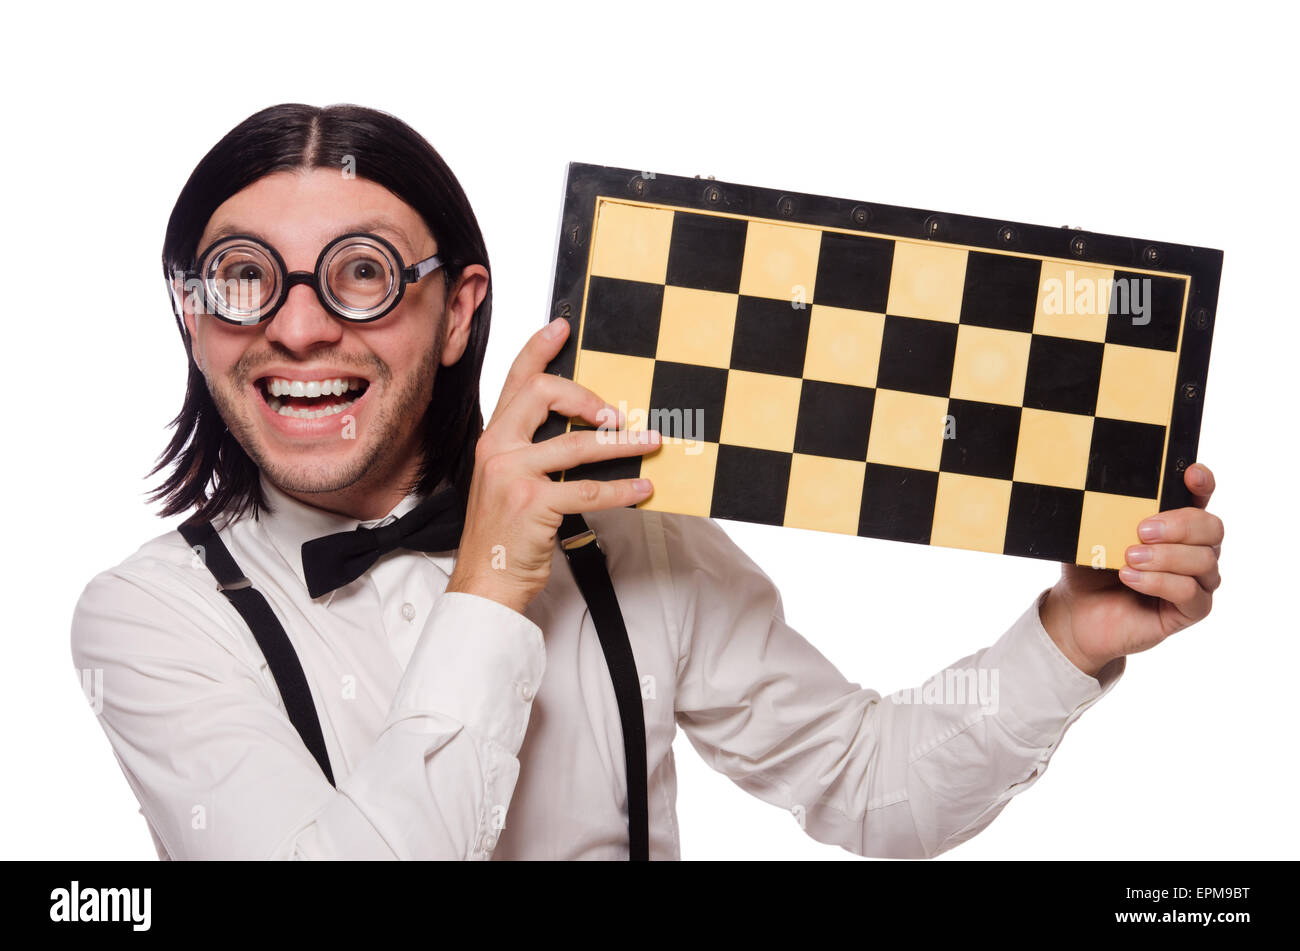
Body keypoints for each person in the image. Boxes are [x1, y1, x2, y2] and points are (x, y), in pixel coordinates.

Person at [70, 103, 1224, 860]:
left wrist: (1071, 634)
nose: (301, 327)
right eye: (240, 279)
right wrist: (493, 579)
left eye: (362, 275)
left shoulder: (634, 537)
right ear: (191, 310)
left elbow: (871, 788)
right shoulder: (151, 619)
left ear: (461, 308)